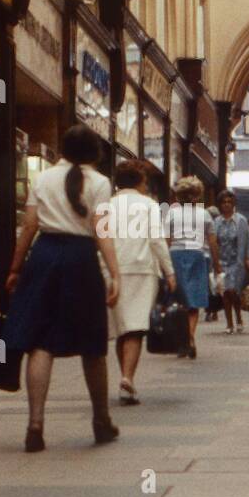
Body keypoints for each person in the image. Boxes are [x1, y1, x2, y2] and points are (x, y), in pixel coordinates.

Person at [3, 125, 120, 451]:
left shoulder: (42, 179)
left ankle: (35, 424)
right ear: (94, 152)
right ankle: (101, 420)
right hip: (81, 260)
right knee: (92, 343)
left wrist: (15, 267)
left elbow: (29, 226)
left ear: (63, 149)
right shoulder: (99, 183)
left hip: (44, 255)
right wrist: (114, 273)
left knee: (40, 342)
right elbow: (103, 232)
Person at [103, 159, 176, 406]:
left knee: (121, 326)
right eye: (145, 181)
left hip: (111, 270)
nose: (146, 185)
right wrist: (169, 271)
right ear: (139, 181)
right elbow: (157, 240)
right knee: (135, 326)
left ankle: (125, 375)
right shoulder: (149, 206)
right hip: (142, 270)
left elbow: (100, 237)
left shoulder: (107, 205)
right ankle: (127, 378)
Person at [166, 175, 221, 359]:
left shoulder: (171, 214)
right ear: (197, 196)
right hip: (197, 255)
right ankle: (189, 337)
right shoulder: (204, 214)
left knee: (179, 300)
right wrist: (217, 265)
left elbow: (166, 241)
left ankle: (183, 340)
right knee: (194, 301)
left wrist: (164, 266)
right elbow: (213, 243)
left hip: (175, 255)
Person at [214, 191, 249, 335]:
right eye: (224, 202)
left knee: (234, 292)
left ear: (233, 204)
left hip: (237, 261)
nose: (226, 205)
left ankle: (239, 318)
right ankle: (229, 323)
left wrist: (248, 258)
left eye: (229, 202)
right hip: (222, 261)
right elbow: (213, 241)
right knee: (225, 292)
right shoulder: (217, 222)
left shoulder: (240, 220)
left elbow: (248, 239)